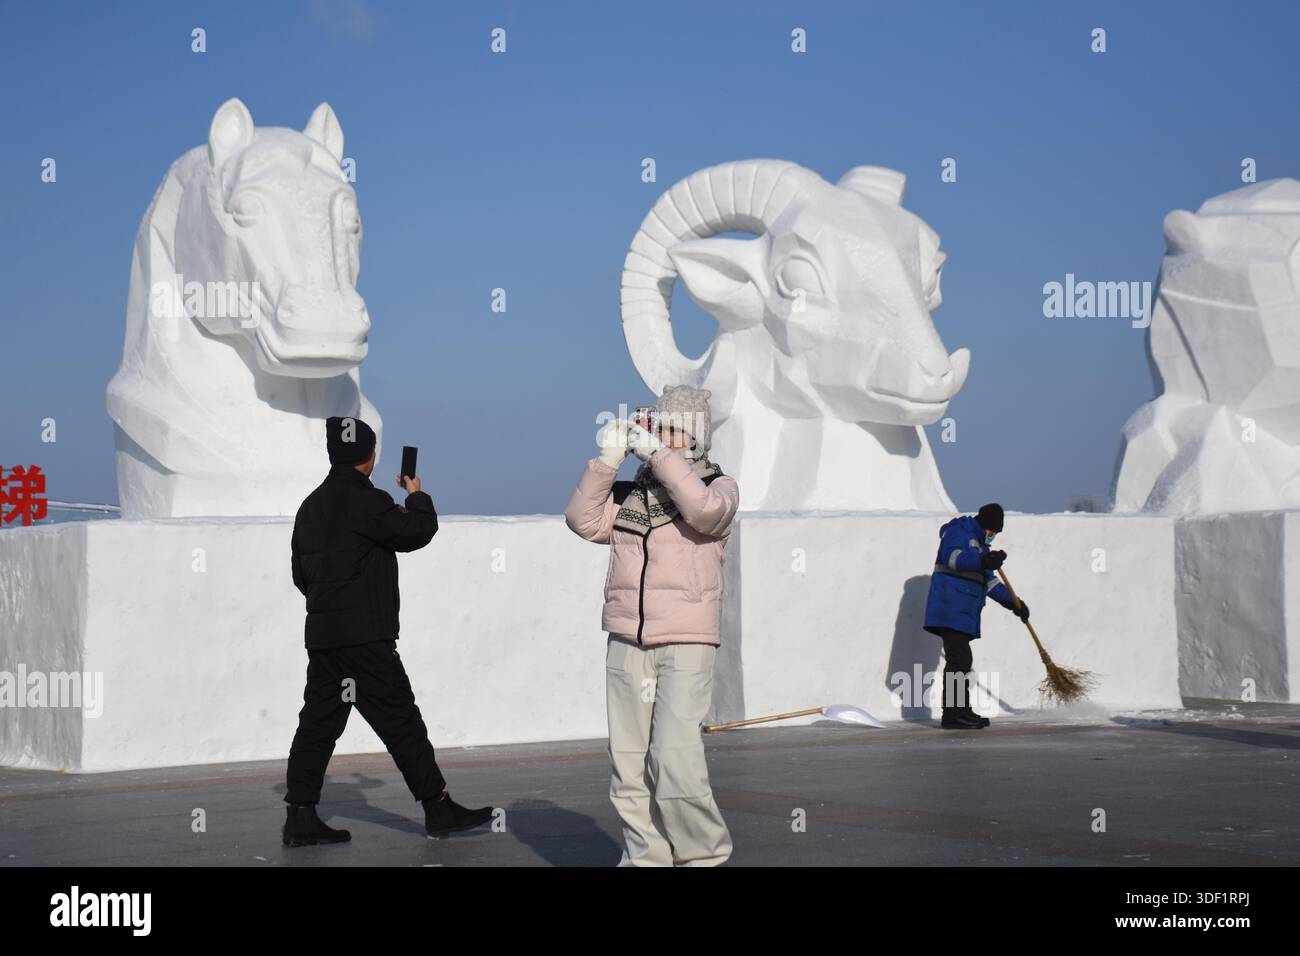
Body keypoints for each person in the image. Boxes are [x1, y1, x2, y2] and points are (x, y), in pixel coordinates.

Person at [283, 415, 494, 846]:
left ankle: (300, 816)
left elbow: (299, 574)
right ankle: (437, 807)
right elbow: (417, 531)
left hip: (325, 640)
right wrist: (416, 495)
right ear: (369, 457)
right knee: (401, 721)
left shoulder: (310, 507)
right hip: (365, 639)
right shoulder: (368, 500)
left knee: (317, 727)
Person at [564, 386, 739, 866]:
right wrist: (607, 461)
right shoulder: (631, 496)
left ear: (694, 437)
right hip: (627, 641)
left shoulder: (719, 486)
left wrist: (658, 454)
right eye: (653, 426)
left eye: (667, 427)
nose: (655, 433)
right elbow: (582, 520)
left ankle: (703, 855)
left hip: (686, 641)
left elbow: (703, 512)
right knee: (628, 763)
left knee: (674, 758)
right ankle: (647, 857)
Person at [922, 502, 1029, 730]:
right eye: (993, 532)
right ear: (986, 525)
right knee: (959, 660)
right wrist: (982, 560)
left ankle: (961, 710)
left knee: (962, 661)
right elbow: (952, 558)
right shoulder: (959, 531)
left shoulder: (981, 547)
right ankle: (953, 715)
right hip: (949, 607)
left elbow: (990, 583)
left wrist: (1015, 603)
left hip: (963, 612)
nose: (993, 537)